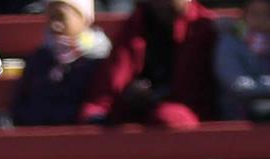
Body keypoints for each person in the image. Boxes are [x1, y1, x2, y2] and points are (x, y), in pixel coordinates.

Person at [79, 0, 217, 128]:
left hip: (186, 123)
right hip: (134, 118)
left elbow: (201, 95)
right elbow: (109, 87)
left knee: (170, 117)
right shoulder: (135, 26)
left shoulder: (203, 28)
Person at [10, 0, 112, 128]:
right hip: (39, 137)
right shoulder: (40, 59)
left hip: (81, 136)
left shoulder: (97, 59)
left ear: (84, 20)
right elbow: (22, 101)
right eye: (51, 18)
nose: (55, 25)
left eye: (61, 17)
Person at [213, 0, 270, 121]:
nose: (261, 20)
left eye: (267, 14)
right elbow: (238, 85)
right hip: (239, 112)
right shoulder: (229, 44)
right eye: (255, 14)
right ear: (244, 16)